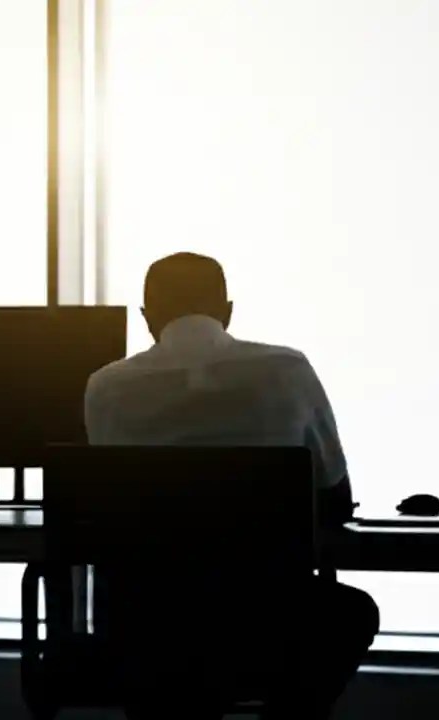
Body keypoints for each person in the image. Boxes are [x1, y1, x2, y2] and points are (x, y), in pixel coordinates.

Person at [83, 251, 379, 719]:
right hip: (267, 624)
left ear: (146, 318)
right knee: (350, 612)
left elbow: (108, 513)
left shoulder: (104, 388)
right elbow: (334, 499)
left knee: (162, 652)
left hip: (149, 632)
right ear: (227, 311)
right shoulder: (289, 371)